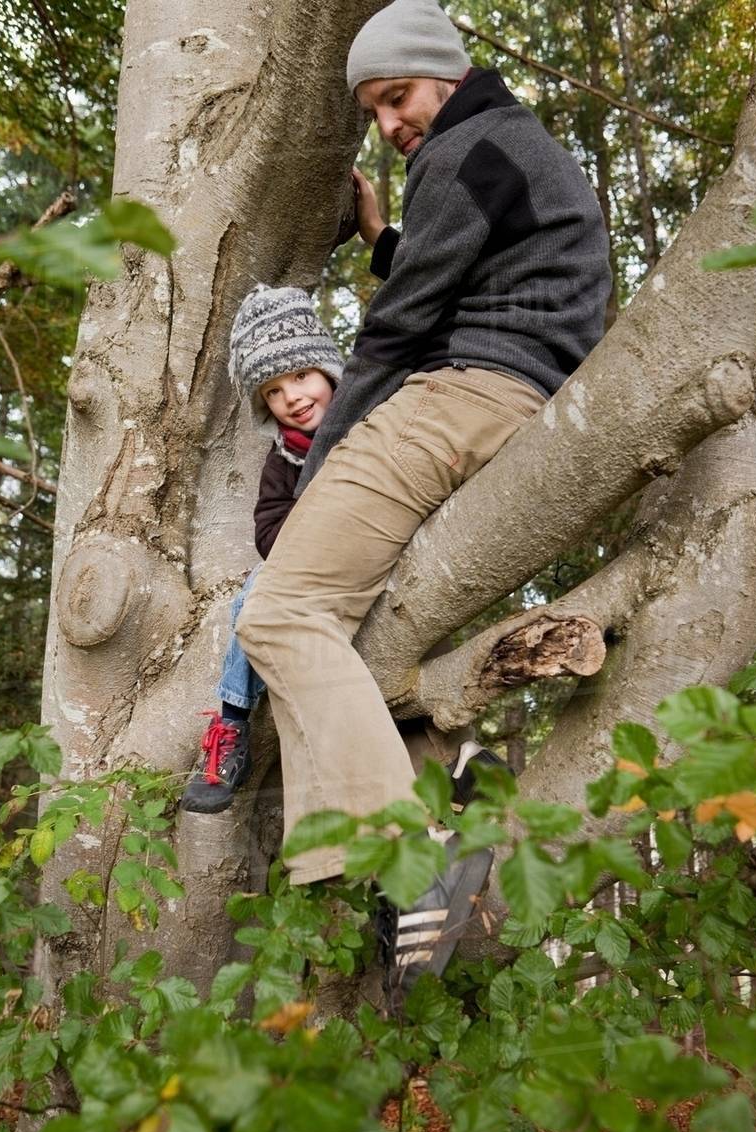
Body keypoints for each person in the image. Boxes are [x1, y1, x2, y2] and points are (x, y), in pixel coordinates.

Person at [235, 0, 612, 992]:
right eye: (374, 110)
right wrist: (383, 237)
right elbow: (466, 267)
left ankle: (412, 851)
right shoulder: (505, 148)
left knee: (278, 612)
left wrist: (318, 466)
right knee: (350, 636)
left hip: (459, 397)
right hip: (517, 391)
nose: (390, 123)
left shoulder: (466, 150)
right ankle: (407, 842)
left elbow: (394, 333)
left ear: (445, 71)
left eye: (397, 97)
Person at [180, 285, 344, 813]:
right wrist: (315, 521)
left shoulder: (371, 419)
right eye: (273, 391)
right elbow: (268, 535)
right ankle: (232, 723)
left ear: (327, 370)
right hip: (305, 567)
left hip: (371, 550)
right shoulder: (282, 461)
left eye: (301, 376)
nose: (292, 397)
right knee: (252, 595)